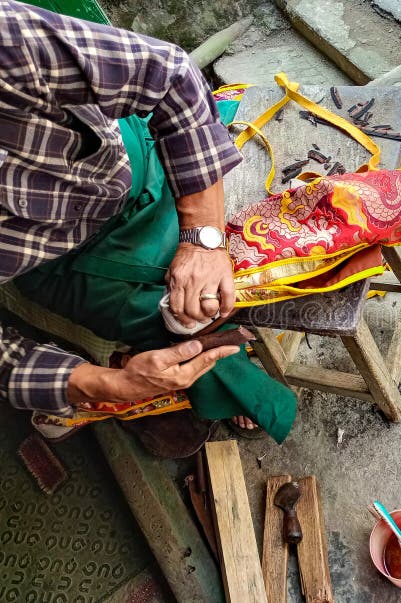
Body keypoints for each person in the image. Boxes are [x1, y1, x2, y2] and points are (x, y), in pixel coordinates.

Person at [0, 0, 265, 433]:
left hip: (122, 167)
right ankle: (239, 381)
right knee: (171, 324)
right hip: (57, 261)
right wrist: (109, 383)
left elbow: (168, 74)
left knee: (220, 252)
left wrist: (204, 238)